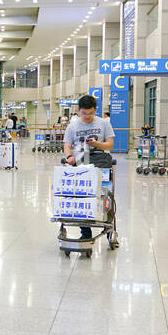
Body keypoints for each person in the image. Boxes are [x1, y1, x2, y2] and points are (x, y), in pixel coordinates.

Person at [63, 94, 116, 240]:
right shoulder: (72, 126)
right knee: (81, 195)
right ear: (79, 110)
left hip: (100, 158)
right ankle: (85, 232)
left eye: (91, 113)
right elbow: (67, 146)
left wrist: (96, 144)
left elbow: (110, 144)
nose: (87, 116)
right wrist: (69, 157)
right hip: (80, 159)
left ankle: (107, 224)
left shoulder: (104, 123)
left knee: (104, 193)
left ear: (95, 110)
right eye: (84, 113)